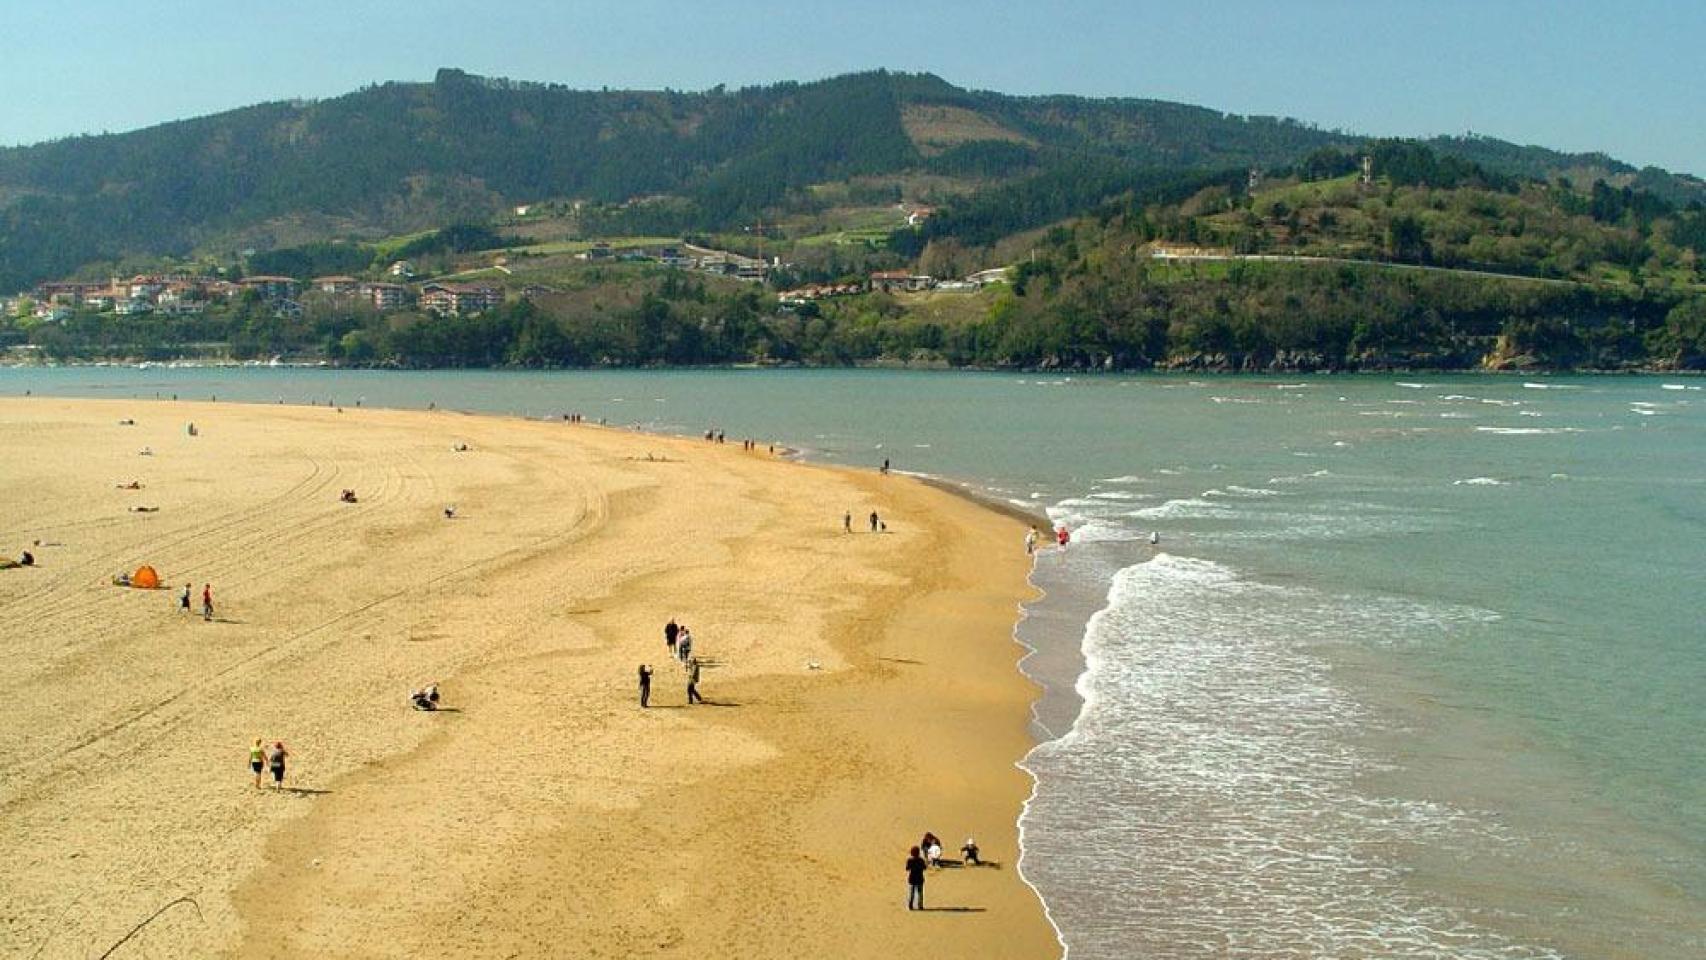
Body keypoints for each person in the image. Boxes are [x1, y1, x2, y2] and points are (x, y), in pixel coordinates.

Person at [905, 846, 928, 911]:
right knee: (920, 894)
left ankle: (910, 906)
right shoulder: (921, 860)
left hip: (912, 878)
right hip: (919, 878)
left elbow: (907, 868)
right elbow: (924, 868)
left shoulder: (910, 860)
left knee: (911, 894)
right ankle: (920, 906)